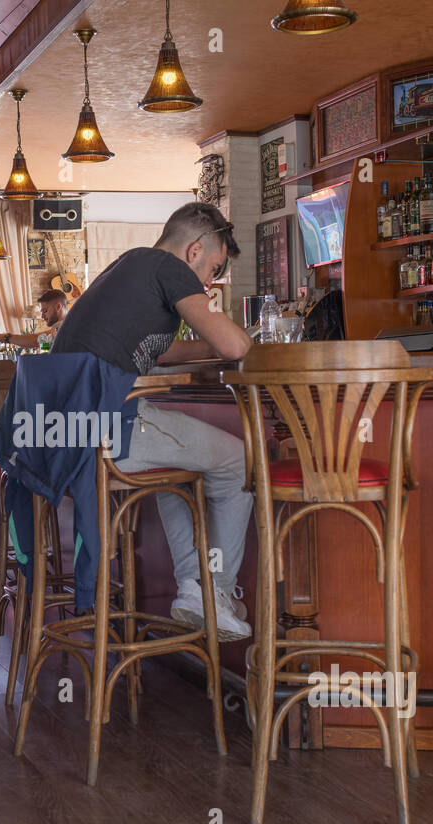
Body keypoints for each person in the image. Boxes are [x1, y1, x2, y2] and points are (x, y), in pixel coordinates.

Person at [50, 202, 255, 639]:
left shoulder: (130, 265)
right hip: (104, 427)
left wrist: (209, 346)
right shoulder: (170, 267)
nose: (210, 282)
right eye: (213, 269)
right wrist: (236, 336)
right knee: (241, 459)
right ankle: (213, 591)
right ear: (194, 250)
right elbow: (236, 348)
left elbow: (157, 353)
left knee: (181, 476)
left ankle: (192, 588)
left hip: (66, 436)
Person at [0, 288, 69, 350]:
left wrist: (5, 337)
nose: (42, 316)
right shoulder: (61, 327)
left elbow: (37, 340)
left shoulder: (68, 326)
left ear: (58, 307)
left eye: (45, 311)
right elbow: (47, 345)